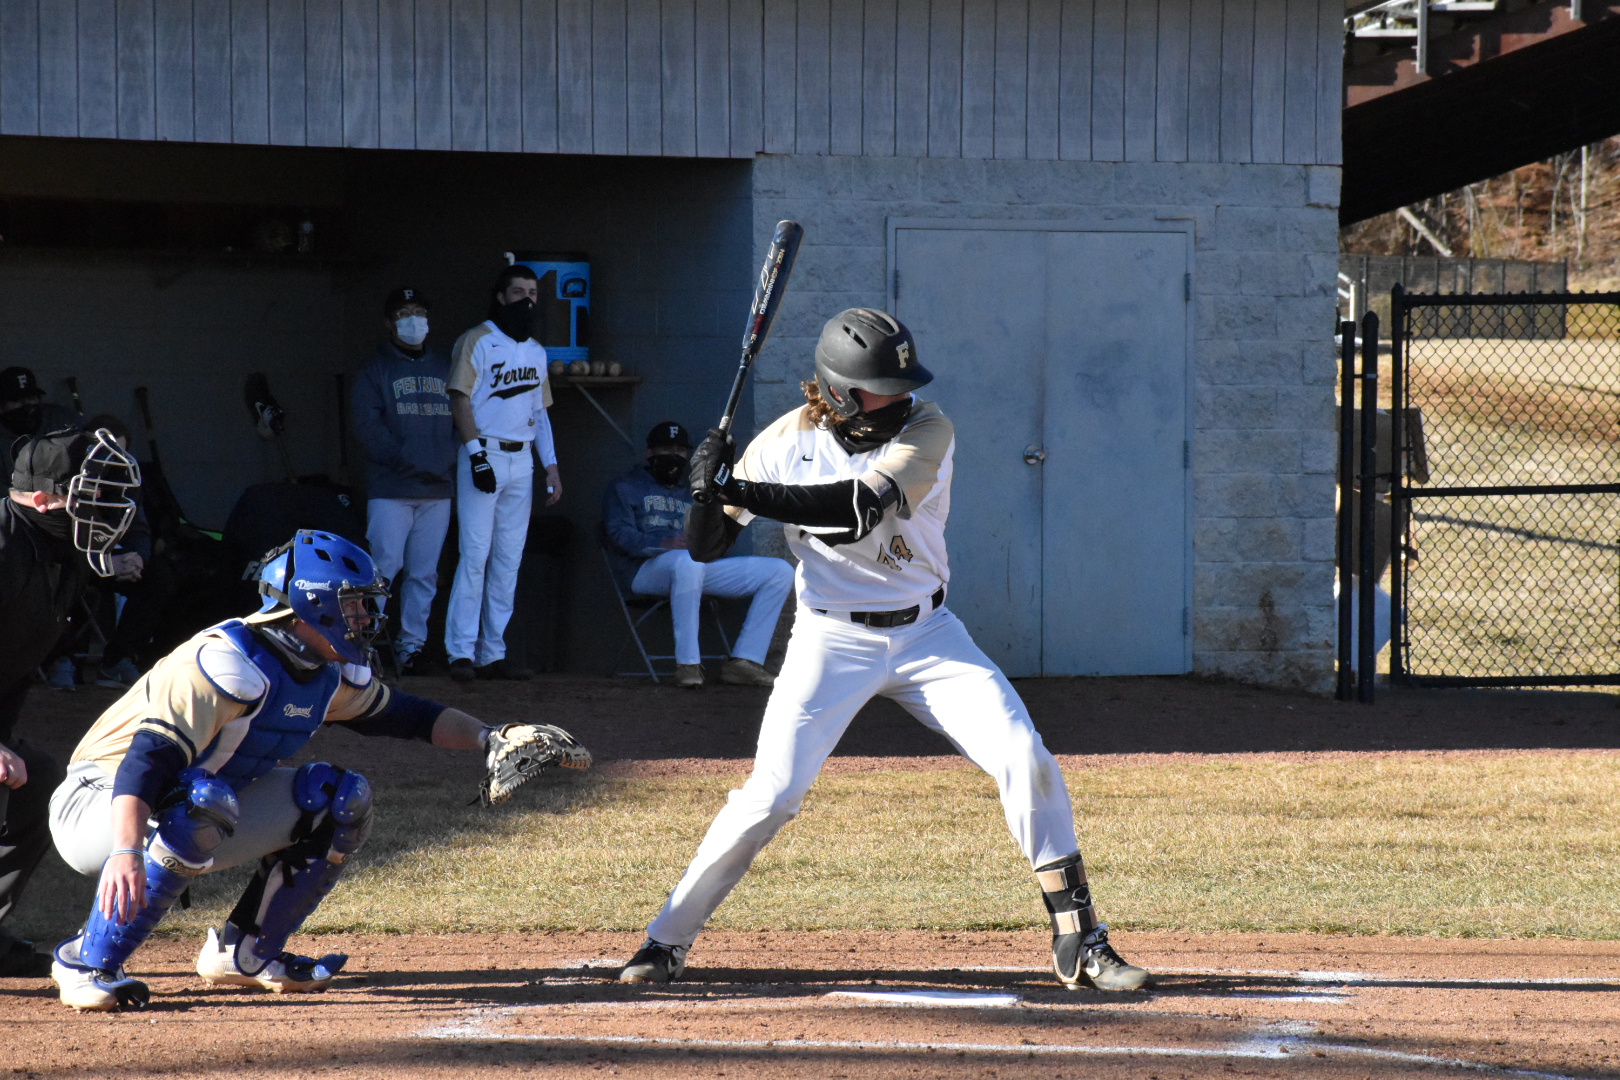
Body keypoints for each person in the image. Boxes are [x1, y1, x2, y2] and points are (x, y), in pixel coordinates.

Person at [619, 309, 1149, 993]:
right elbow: (705, 546)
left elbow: (856, 509)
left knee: (1026, 757)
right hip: (829, 638)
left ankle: (1082, 938)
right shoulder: (785, 440)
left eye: (902, 383)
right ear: (839, 392)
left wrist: (736, 487)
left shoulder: (930, 428)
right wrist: (704, 485)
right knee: (771, 796)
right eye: (881, 388)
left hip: (928, 635)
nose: (899, 397)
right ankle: (666, 940)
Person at [46, 530, 557, 1011]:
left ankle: (245, 953)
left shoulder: (321, 669)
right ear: (314, 604)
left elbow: (408, 715)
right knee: (203, 802)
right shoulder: (224, 664)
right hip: (98, 802)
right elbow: (146, 762)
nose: (366, 616)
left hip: (184, 803)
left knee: (340, 797)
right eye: (354, 603)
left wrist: (490, 737)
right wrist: (127, 850)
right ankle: (87, 963)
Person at [0, 428, 141, 977]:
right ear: (41, 500)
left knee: (36, 777)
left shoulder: (54, 548)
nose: (110, 509)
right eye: (93, 496)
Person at [603, 421, 792, 688]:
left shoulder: (692, 489)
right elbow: (619, 534)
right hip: (643, 570)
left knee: (779, 571)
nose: (675, 455)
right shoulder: (625, 486)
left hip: (691, 566)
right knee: (688, 561)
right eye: (667, 448)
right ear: (649, 453)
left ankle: (745, 661)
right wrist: (664, 542)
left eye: (681, 450)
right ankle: (688, 665)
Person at [444, 265, 562, 683]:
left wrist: (551, 466)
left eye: (532, 292)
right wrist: (475, 455)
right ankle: (460, 652)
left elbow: (539, 413)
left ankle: (493, 653)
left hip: (522, 457)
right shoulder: (477, 339)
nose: (526, 299)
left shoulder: (535, 350)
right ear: (500, 296)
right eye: (517, 292)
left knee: (509, 559)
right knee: (475, 555)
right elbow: (460, 399)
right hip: (485, 451)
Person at [351, 287, 458, 675]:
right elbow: (370, 430)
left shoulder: (446, 367)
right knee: (383, 566)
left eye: (418, 311)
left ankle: (411, 647)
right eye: (403, 313)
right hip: (391, 490)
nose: (413, 320)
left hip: (437, 490)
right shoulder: (373, 371)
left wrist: (441, 461)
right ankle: (365, 646)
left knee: (425, 573)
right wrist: (414, 461)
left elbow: (462, 423)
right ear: (389, 322)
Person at [79, 414, 176, 689]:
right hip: (73, 563)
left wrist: (136, 560)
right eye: (105, 454)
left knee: (159, 577)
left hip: (116, 562)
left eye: (119, 455)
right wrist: (106, 561)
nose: (112, 463)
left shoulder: (127, 482)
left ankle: (116, 659)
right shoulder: (67, 478)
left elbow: (139, 530)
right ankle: (61, 660)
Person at [0, 366, 78, 482]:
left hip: (64, 496)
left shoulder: (61, 419)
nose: (25, 405)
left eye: (30, 398)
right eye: (16, 400)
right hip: (16, 498)